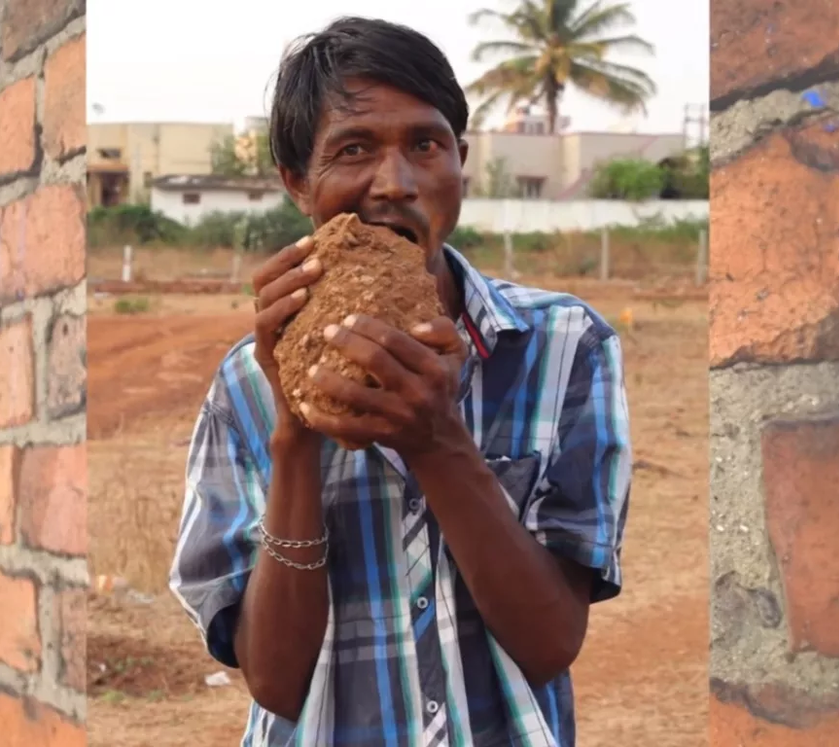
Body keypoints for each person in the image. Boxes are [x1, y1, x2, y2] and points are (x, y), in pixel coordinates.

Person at [170, 16, 631, 747]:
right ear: (297, 181)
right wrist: (295, 433)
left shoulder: (564, 347)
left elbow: (551, 643)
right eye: (354, 149)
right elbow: (277, 682)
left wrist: (437, 440)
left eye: (426, 143)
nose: (397, 182)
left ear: (461, 161)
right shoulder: (245, 384)